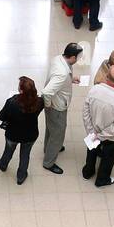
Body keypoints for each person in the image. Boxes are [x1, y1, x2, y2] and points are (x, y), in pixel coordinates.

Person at [81, 64, 114, 188]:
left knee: (91, 150)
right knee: (109, 156)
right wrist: (102, 136)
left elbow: (85, 112)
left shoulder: (94, 90)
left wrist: (92, 131)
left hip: (93, 130)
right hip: (111, 137)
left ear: (106, 76)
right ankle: (102, 179)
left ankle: (88, 171)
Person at [40, 43, 83, 174]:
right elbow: (46, 93)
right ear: (73, 57)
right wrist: (48, 106)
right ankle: (48, 162)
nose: (79, 59)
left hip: (54, 103)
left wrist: (70, 80)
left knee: (51, 129)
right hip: (56, 107)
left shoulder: (58, 58)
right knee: (58, 134)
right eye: (78, 57)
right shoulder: (63, 74)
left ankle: (49, 148)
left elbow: (57, 79)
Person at [0, 77, 43, 185]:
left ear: (21, 91)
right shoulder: (39, 102)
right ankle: (21, 176)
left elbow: (1, 116)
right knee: (25, 155)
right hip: (30, 135)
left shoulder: (12, 102)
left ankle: (3, 164)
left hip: (13, 134)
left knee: (8, 151)